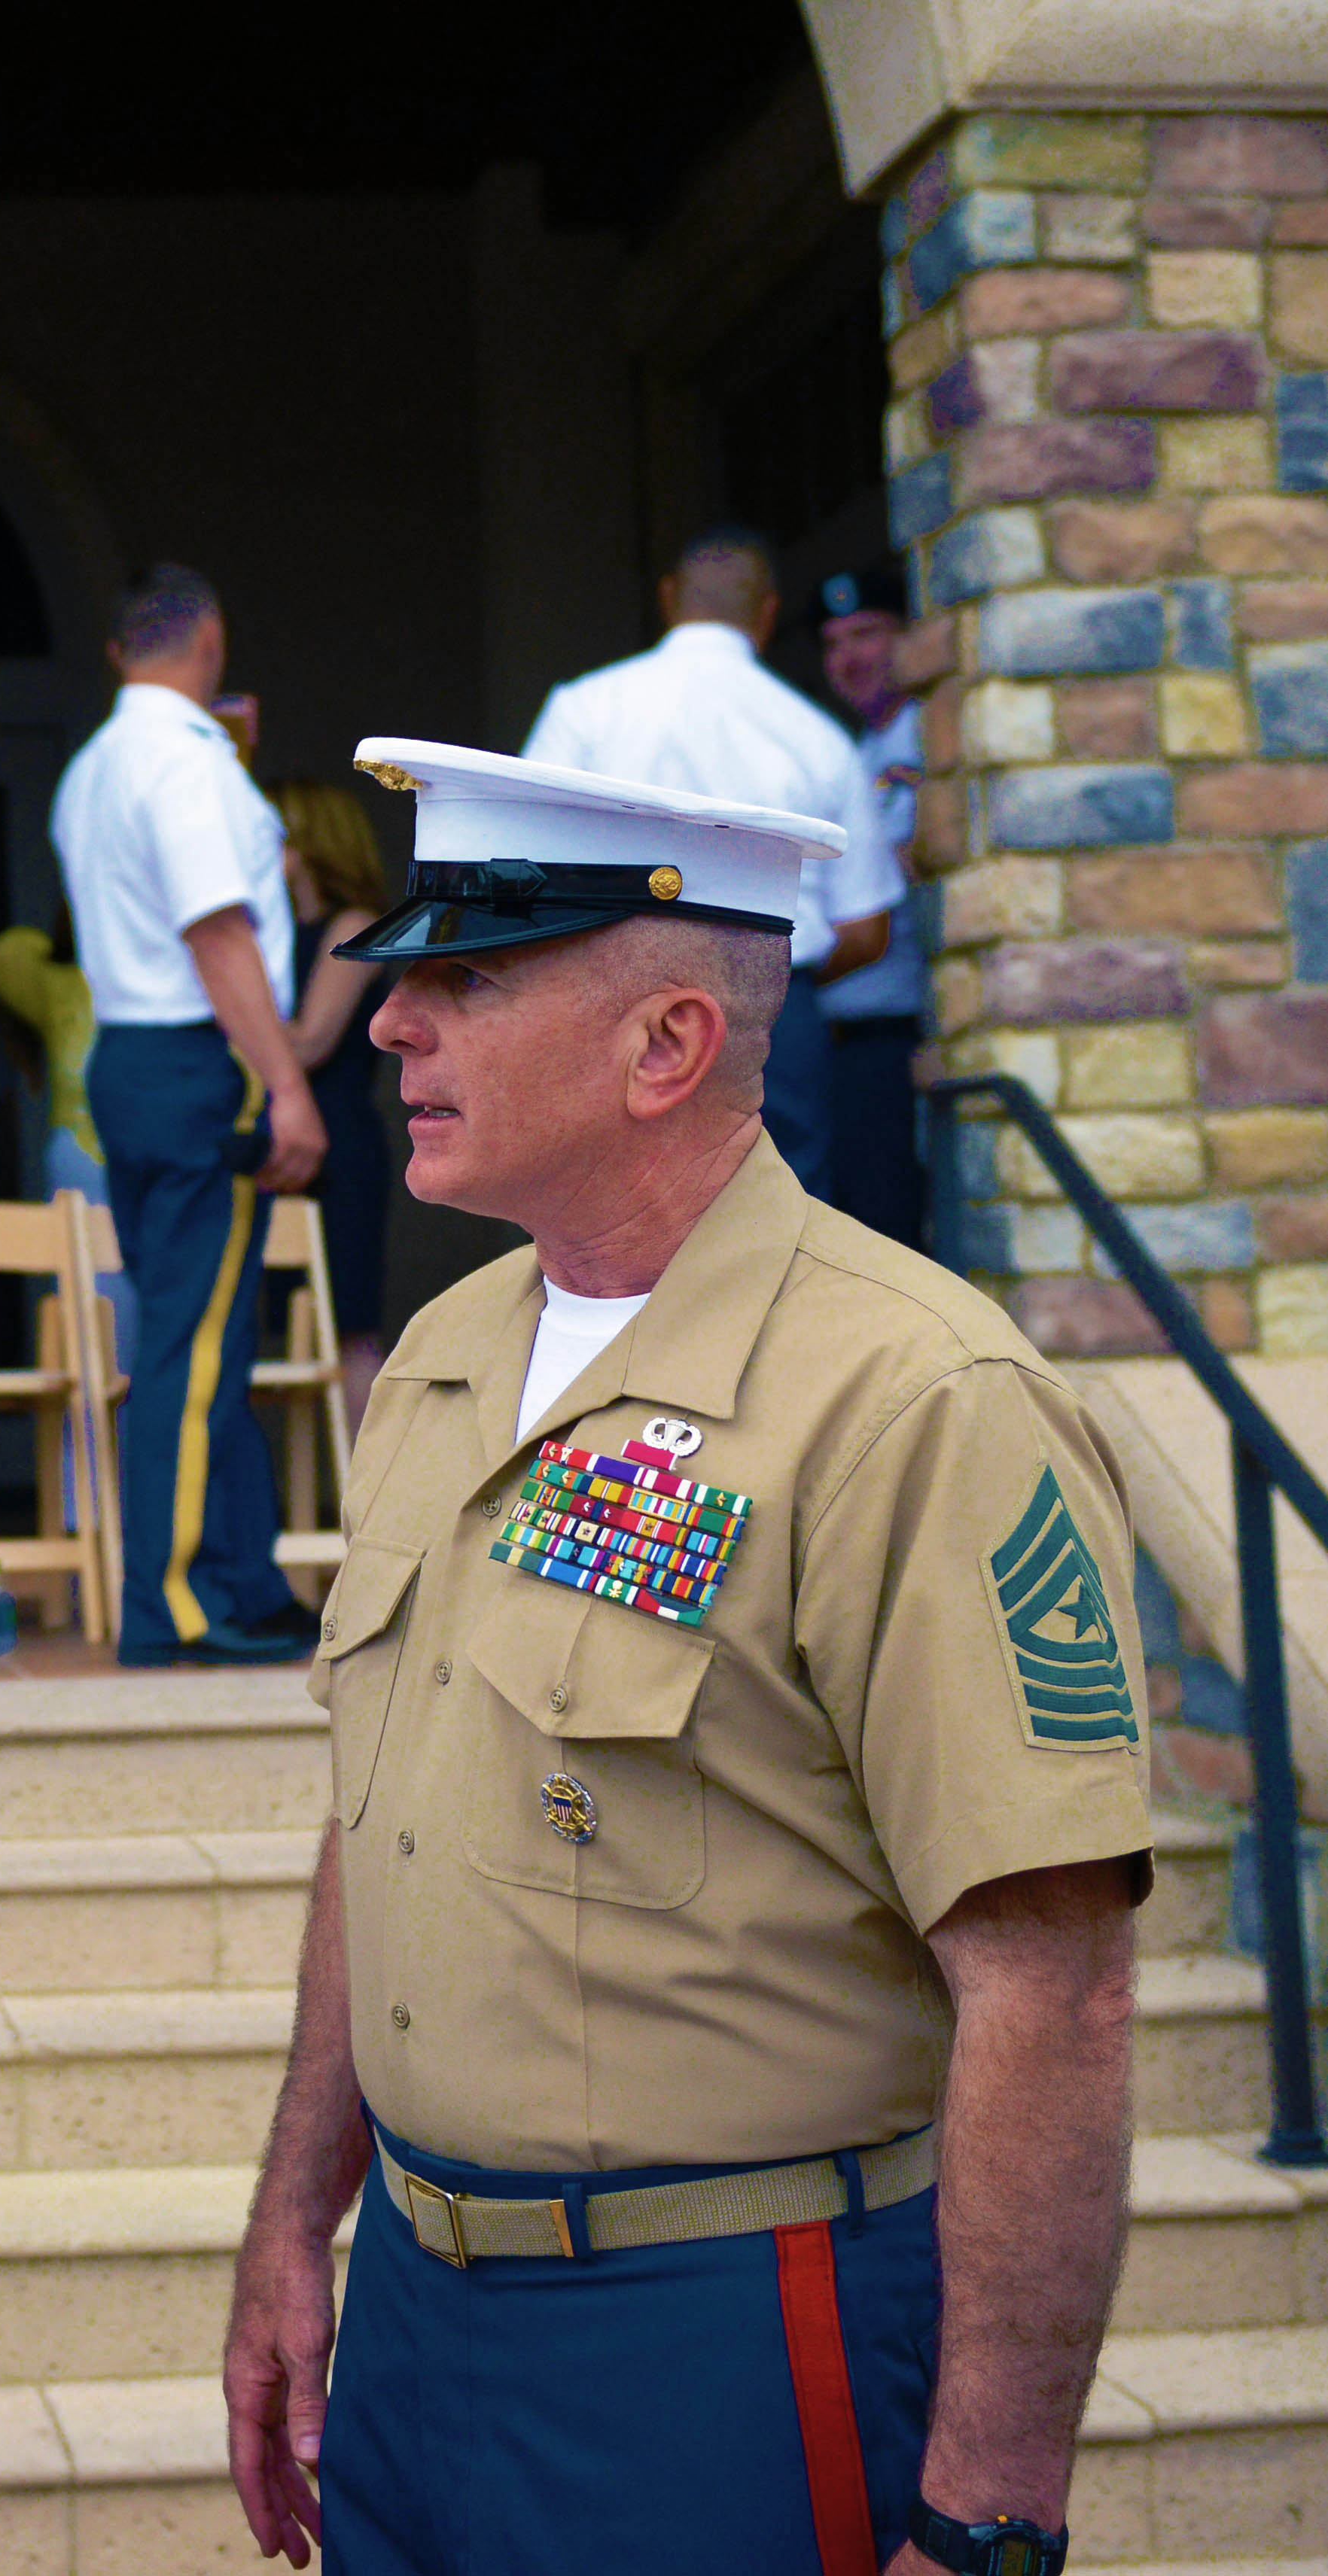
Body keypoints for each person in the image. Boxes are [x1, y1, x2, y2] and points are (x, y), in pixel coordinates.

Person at [223, 740, 1152, 2576]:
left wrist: (982, 2517)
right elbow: (382, 1824)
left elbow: (1052, 1993)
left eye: (464, 981)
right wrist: (287, 2225)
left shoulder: (912, 1396)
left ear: (664, 1046)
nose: (391, 1025)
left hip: (729, 2328)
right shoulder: (439, 1355)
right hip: (418, 2311)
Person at [52, 563, 324, 1666]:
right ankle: (177, 1605)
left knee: (202, 1327)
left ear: (123, 649)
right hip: (193, 1055)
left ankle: (239, 1582)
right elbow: (218, 930)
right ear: (208, 639)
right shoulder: (182, 763)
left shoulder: (100, 762)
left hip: (133, 1052)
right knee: (191, 1339)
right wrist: (290, 1079)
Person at [521, 530, 909, 1201]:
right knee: (783, 1216)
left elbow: (519, 869)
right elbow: (869, 925)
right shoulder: (818, 736)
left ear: (669, 598)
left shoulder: (586, 707)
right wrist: (770, 966)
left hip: (618, 994)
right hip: (776, 1009)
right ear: (766, 614)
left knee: (616, 1206)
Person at [270, 777, 396, 1414]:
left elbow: (312, 1040)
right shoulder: (266, 928)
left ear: (310, 841)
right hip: (281, 1144)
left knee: (348, 1329)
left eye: (278, 830)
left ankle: (366, 1498)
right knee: (276, 1334)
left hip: (338, 1143)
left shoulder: (356, 922)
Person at [818, 559, 933, 1249]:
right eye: (833, 644)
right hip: (846, 1042)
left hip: (890, 1031)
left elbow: (912, 865)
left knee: (888, 1236)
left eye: (866, 634)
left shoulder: (928, 733)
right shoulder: (857, 751)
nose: (849, 658)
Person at [0, 905, 135, 1368]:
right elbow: (6, 954)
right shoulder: (62, 983)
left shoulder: (179, 973)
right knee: (98, 1326)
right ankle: (88, 1443)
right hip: (87, 1160)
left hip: (169, 1159)